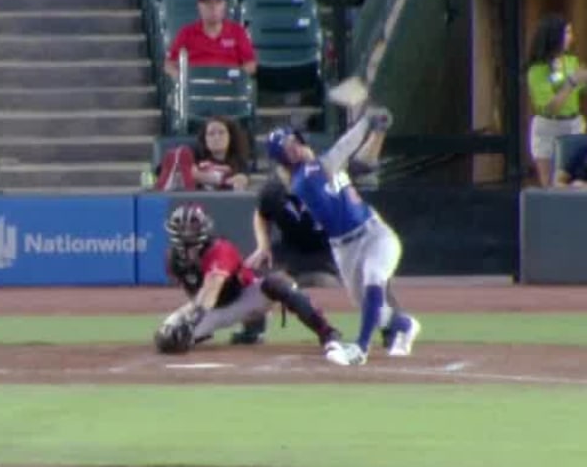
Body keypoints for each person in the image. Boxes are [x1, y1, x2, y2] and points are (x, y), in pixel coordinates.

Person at [262, 84, 420, 365]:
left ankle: (360, 348)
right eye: (288, 149)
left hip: (374, 234)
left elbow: (359, 160)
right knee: (369, 306)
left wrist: (375, 128)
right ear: (283, 160)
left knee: (375, 276)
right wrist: (366, 121)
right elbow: (343, 149)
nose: (295, 149)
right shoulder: (305, 176)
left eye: (294, 143)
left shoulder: (319, 168)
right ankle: (404, 326)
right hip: (344, 248)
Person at [151, 203, 355, 366]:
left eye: (192, 229)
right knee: (166, 340)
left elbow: (210, 290)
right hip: (212, 309)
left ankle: (327, 333)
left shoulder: (220, 249)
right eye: (183, 230)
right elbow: (196, 294)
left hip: (244, 297)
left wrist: (191, 320)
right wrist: (183, 320)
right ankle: (251, 329)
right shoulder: (172, 259)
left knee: (277, 282)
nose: (187, 236)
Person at [524, 13, 587, 188]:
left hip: (573, 124)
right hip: (548, 128)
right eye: (567, 32)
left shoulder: (570, 61)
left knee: (572, 175)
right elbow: (552, 107)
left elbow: (578, 89)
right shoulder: (537, 71)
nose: (571, 37)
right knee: (549, 183)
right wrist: (572, 81)